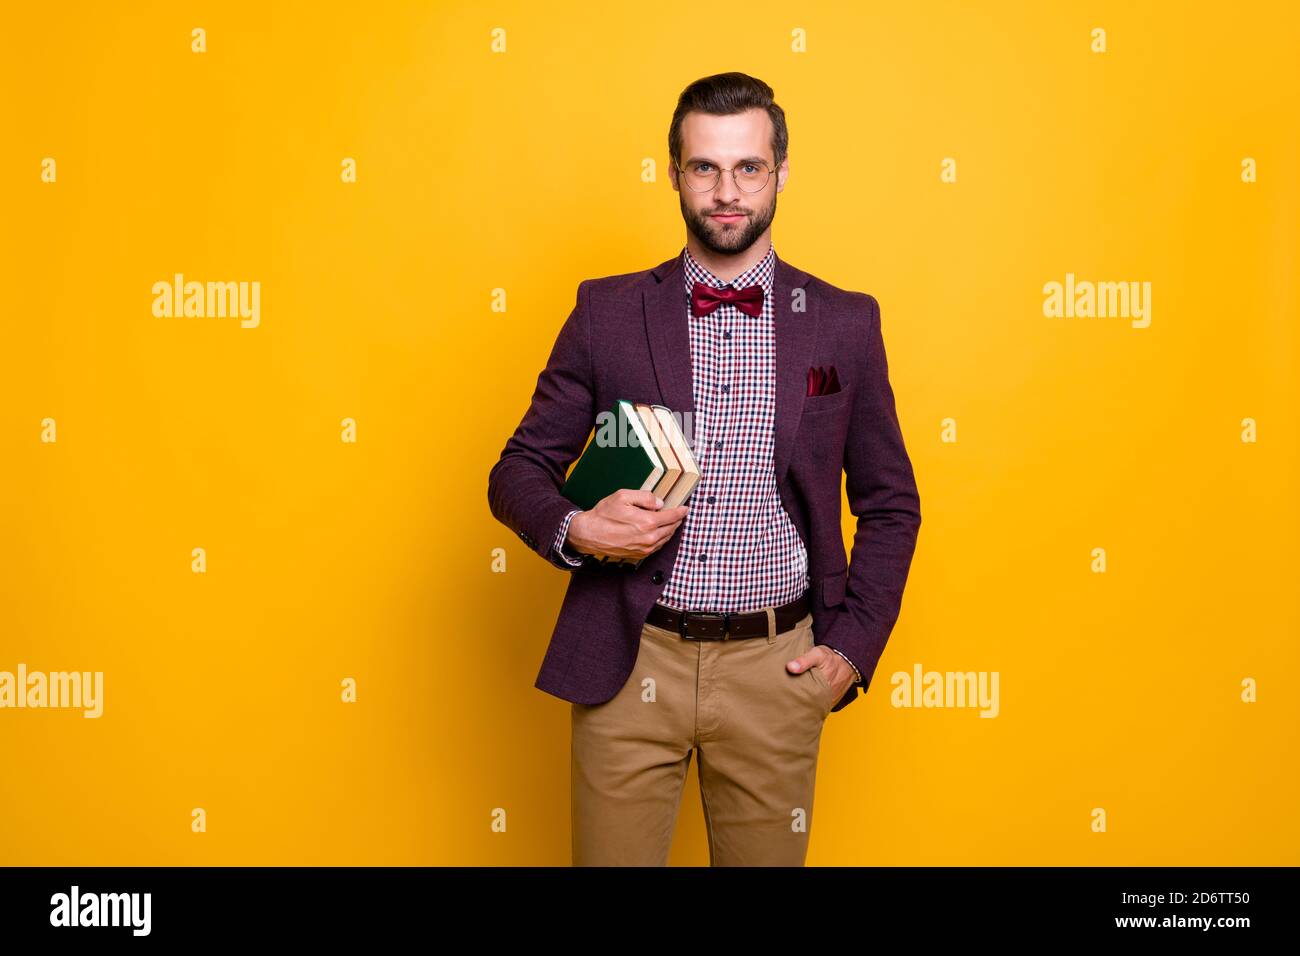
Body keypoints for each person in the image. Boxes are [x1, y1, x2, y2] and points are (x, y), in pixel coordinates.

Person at [487, 71, 921, 865]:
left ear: (781, 173)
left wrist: (852, 650)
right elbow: (517, 470)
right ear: (675, 173)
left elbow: (891, 503)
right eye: (705, 168)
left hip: (776, 669)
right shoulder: (607, 312)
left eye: (748, 167)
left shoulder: (844, 322)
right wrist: (577, 528)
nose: (727, 191)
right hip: (628, 660)